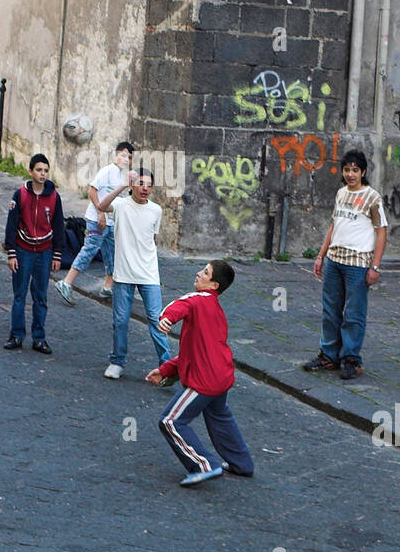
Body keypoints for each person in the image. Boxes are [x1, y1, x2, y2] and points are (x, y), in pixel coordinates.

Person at [147, 260, 256, 487]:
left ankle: (205, 465)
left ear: (213, 285)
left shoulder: (198, 299)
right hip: (221, 377)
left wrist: (166, 320)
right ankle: (241, 463)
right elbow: (197, 352)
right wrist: (166, 370)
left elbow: (177, 307)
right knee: (220, 418)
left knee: (170, 422)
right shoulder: (217, 311)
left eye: (205, 272)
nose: (198, 273)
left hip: (204, 382)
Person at [303, 149, 387, 381]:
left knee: (353, 313)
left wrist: (375, 267)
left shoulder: (372, 197)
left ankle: (351, 359)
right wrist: (321, 255)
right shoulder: (341, 194)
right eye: (347, 170)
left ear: (363, 172)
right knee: (330, 311)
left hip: (358, 264)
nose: (351, 174)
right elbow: (334, 225)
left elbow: (382, 232)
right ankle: (328, 356)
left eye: (355, 170)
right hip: (334, 261)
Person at [95, 167, 170, 379]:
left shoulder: (156, 210)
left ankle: (167, 367)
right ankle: (117, 361)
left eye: (149, 184)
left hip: (149, 274)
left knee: (157, 321)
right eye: (140, 183)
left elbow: (152, 240)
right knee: (120, 320)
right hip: (123, 274)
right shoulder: (120, 206)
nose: (145, 188)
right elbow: (101, 205)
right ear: (132, 186)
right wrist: (121, 186)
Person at [55, 141, 134, 305]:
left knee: (112, 253)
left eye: (129, 157)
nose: (126, 160)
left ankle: (107, 286)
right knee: (89, 251)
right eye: (123, 155)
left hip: (112, 222)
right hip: (96, 220)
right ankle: (66, 282)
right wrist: (100, 213)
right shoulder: (107, 171)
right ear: (116, 156)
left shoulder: (123, 176)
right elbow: (92, 191)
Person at [3, 154, 65, 353]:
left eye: (46, 170)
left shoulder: (54, 196)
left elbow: (58, 225)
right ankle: (16, 335)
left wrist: (57, 254)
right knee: (19, 294)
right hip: (23, 250)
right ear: (30, 171)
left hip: (44, 252)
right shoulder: (20, 194)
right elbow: (11, 225)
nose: (42, 174)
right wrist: (11, 253)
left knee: (41, 296)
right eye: (39, 170)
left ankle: (39, 338)